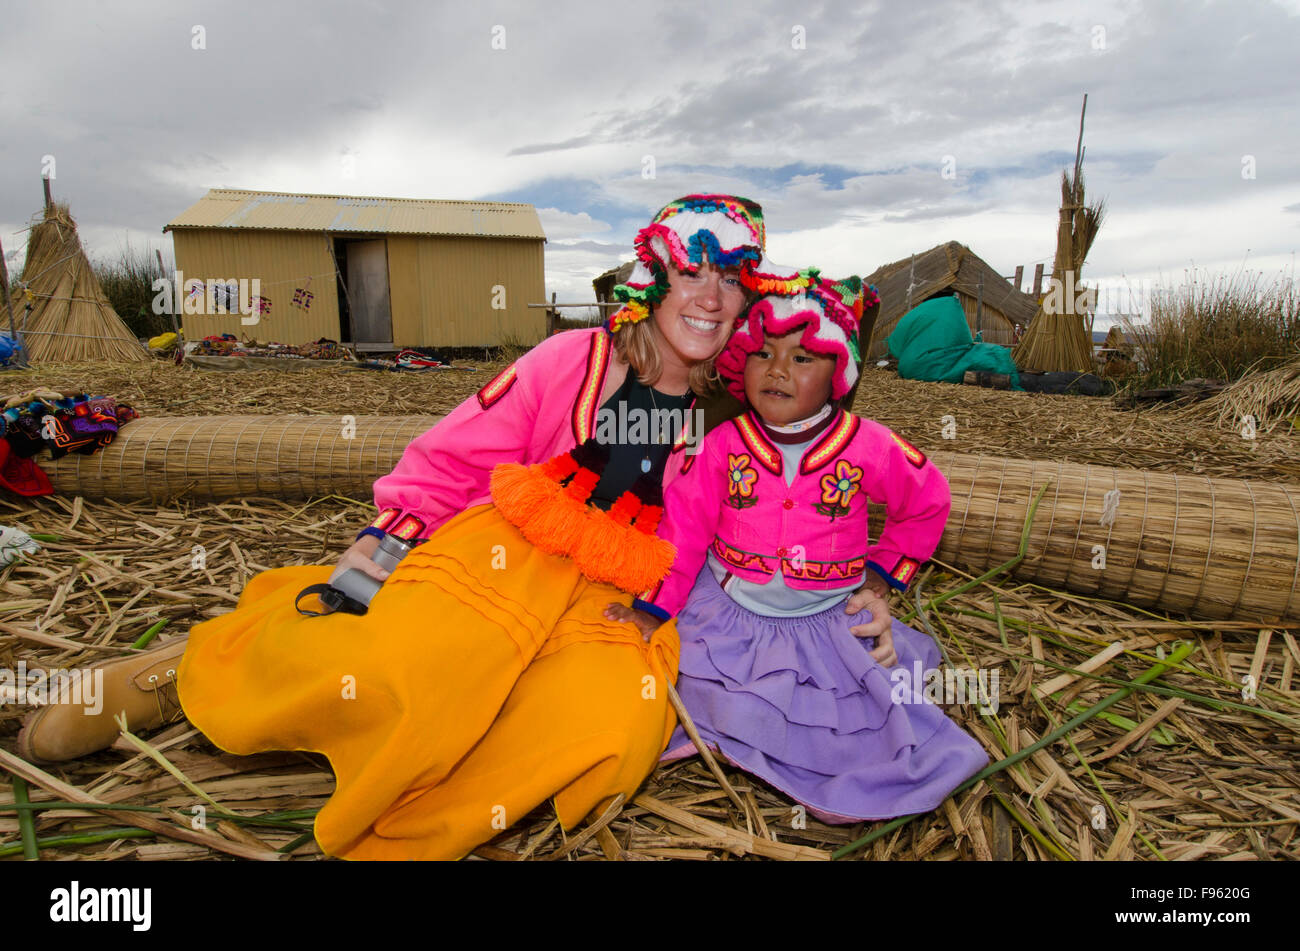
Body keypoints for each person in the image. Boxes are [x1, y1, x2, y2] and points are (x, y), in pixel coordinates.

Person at [16, 194, 895, 858]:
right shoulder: (571, 361)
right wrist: (384, 541)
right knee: (418, 663)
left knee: (606, 725)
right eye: (693, 271)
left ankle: (399, 836)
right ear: (657, 277)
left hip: (623, 594)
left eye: (732, 280)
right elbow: (455, 452)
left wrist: (867, 593)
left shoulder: (736, 414)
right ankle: (188, 672)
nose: (710, 295)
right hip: (515, 549)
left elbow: (796, 515)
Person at [609, 274, 989, 823]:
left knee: (851, 726)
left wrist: (882, 577)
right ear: (742, 365)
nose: (778, 370)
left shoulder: (869, 446)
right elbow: (685, 531)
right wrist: (653, 609)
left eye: (803, 358)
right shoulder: (718, 445)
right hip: (731, 614)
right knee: (692, 691)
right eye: (763, 353)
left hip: (821, 618)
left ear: (840, 374)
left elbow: (927, 502)